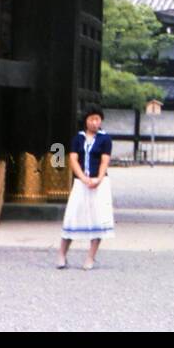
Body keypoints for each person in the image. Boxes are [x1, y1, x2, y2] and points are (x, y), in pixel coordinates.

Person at [57, 105, 114, 270]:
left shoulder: (105, 139)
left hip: (99, 183)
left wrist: (98, 178)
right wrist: (82, 177)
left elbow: (105, 161)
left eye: (97, 119)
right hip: (81, 182)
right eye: (91, 119)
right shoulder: (78, 139)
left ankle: (90, 257)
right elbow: (73, 159)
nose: (95, 122)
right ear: (86, 121)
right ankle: (61, 254)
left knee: (98, 218)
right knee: (72, 216)